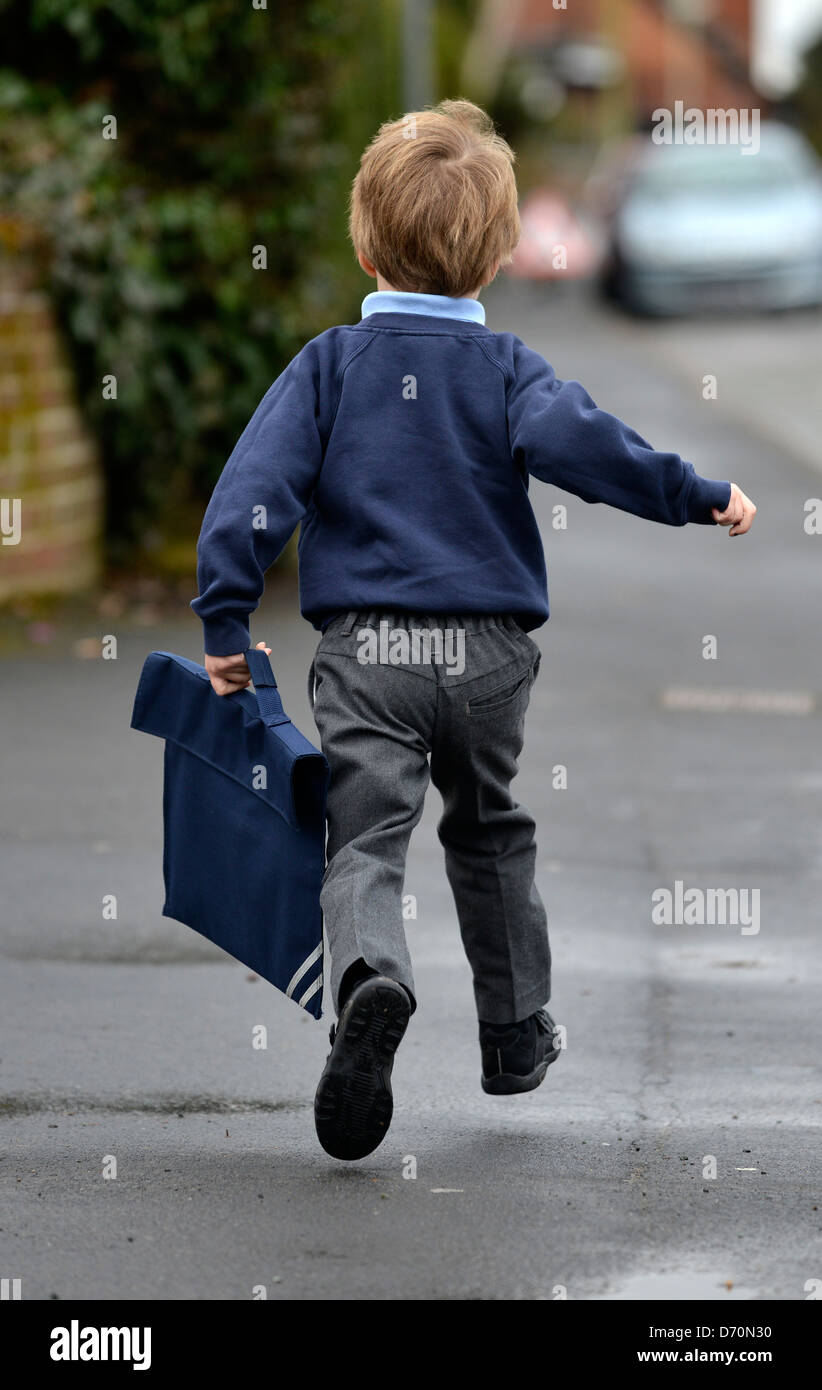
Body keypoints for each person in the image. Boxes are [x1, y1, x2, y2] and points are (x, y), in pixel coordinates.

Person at [191, 99, 756, 1162]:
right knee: (490, 829)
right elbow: (594, 452)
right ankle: (513, 1034)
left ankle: (372, 980)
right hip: (488, 660)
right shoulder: (509, 373)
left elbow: (249, 496)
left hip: (368, 657)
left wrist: (226, 618)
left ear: (364, 243)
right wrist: (696, 494)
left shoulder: (330, 366)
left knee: (364, 841)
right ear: (498, 254)